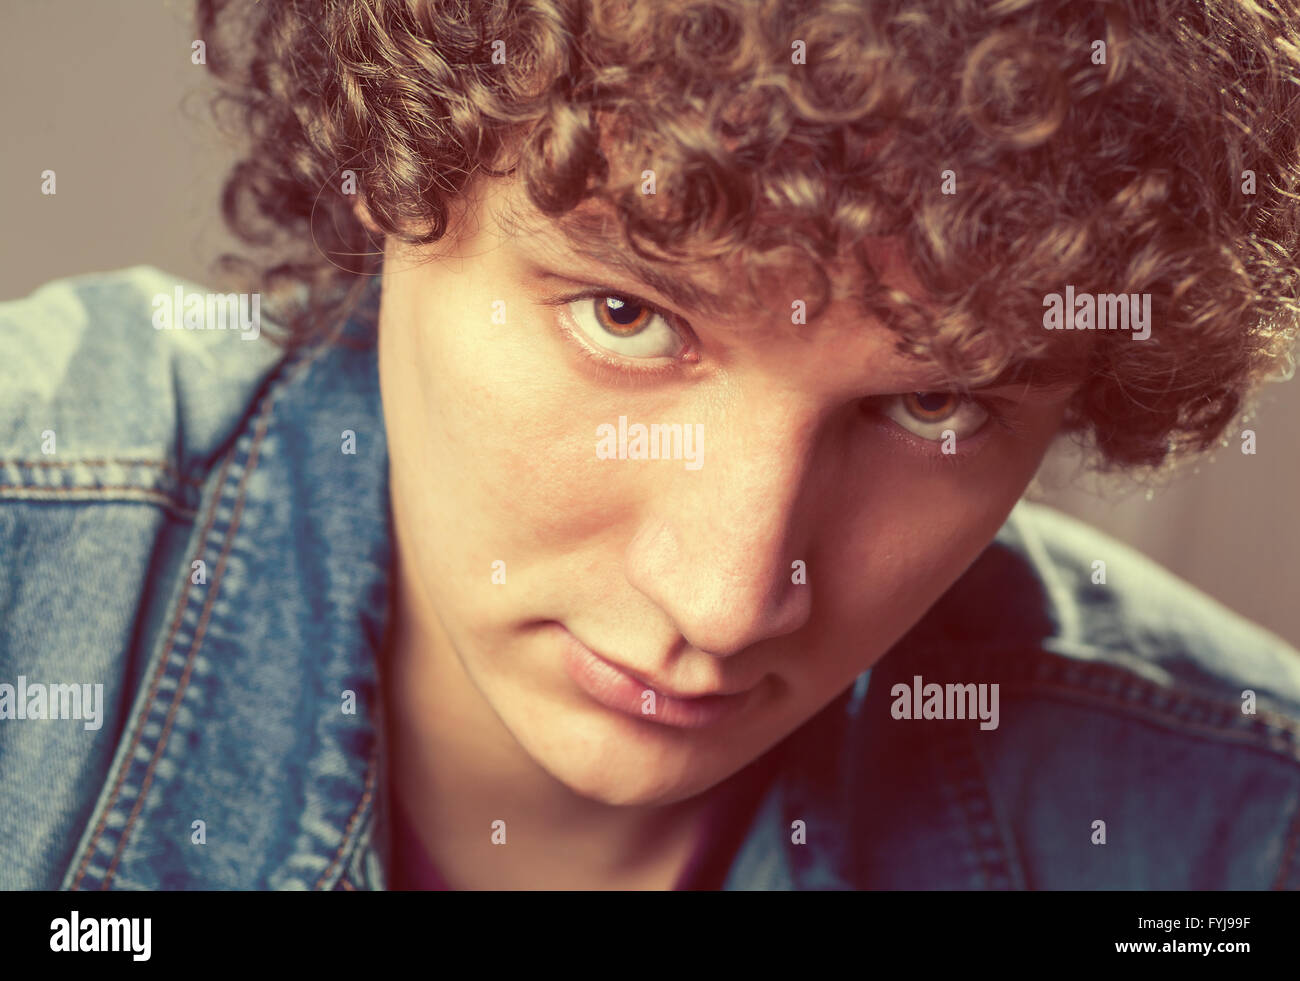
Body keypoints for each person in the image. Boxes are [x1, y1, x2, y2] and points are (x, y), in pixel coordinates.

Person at [2, 0, 1299, 891]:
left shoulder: (1237, 835)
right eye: (627, 316)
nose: (727, 599)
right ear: (387, 162)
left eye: (934, 405)